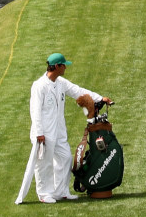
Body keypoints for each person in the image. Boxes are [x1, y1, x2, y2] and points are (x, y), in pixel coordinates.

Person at [28, 54, 110, 204]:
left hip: (58, 131)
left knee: (65, 158)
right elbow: (35, 111)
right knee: (44, 163)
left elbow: (78, 91)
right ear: (57, 66)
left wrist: (99, 98)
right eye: (64, 65)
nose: (66, 67)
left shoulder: (60, 83)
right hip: (44, 133)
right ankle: (44, 193)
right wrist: (39, 132)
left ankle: (61, 191)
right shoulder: (39, 86)